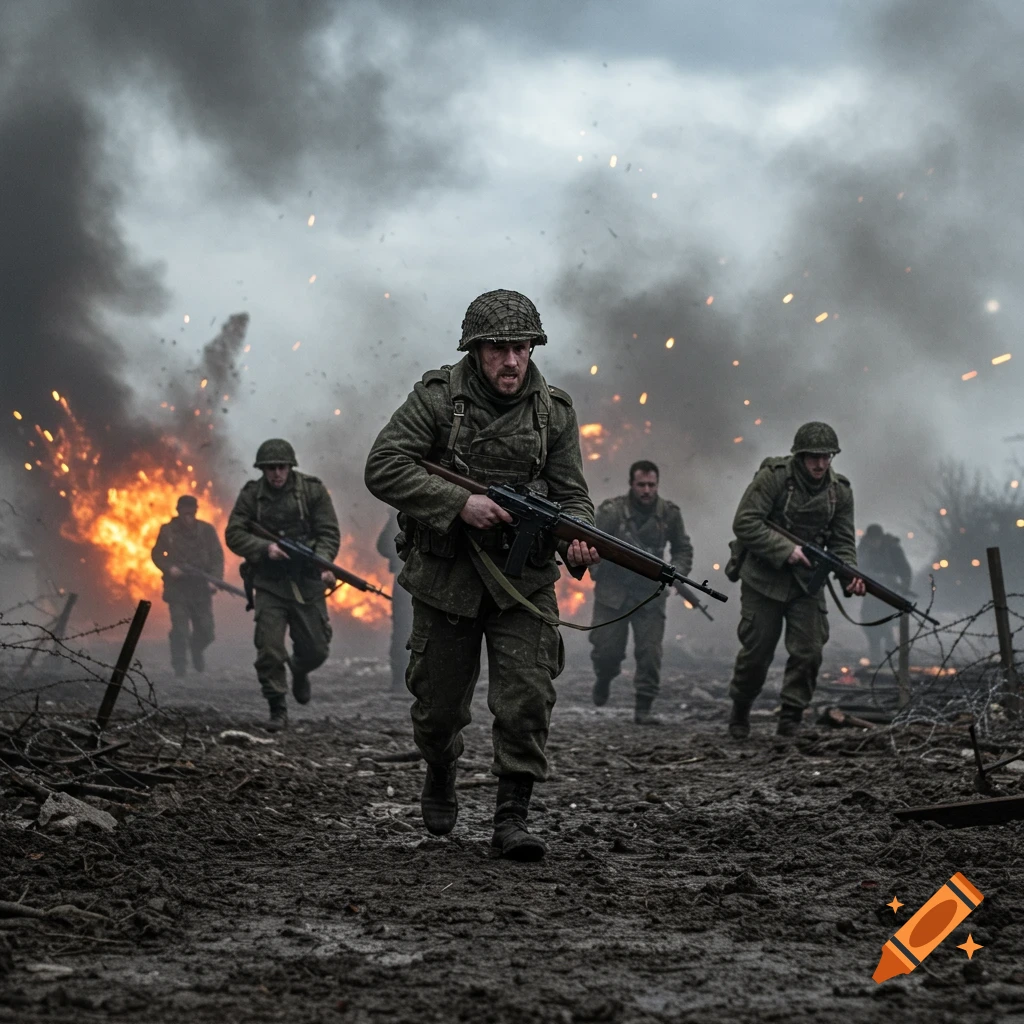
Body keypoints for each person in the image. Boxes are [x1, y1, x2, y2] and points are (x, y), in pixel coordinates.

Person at [364, 288, 598, 861]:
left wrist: (576, 537)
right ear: (475, 349)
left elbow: (573, 496)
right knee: (438, 707)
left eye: (522, 347)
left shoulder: (555, 413)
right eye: (499, 349)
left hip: (524, 582)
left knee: (527, 697)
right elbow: (384, 465)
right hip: (448, 576)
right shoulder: (439, 399)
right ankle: (441, 767)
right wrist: (457, 504)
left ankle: (511, 818)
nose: (512, 361)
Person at [724, 422, 865, 739]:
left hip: (807, 582)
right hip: (763, 577)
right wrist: (785, 550)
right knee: (756, 653)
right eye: (813, 457)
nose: (820, 464)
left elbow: (843, 543)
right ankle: (741, 709)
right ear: (800, 456)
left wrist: (849, 576)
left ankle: (791, 715)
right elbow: (745, 522)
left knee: (809, 651)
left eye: (826, 456)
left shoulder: (839, 491)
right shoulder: (774, 477)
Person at [225, 439, 340, 732]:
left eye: (281, 467)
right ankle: (277, 707)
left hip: (306, 581)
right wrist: (265, 548)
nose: (276, 473)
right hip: (269, 583)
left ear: (290, 467)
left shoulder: (312, 491)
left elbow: (328, 532)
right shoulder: (252, 496)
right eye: (270, 468)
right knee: (270, 649)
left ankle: (299, 670)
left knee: (316, 650)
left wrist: (324, 563)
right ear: (262, 470)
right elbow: (234, 533)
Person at [589, 460, 694, 724]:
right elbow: (591, 542)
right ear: (631, 484)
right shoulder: (612, 511)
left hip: (649, 593)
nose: (647, 490)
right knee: (606, 651)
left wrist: (676, 572)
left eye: (651, 485)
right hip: (613, 592)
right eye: (641, 485)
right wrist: (600, 567)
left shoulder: (669, 514)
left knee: (650, 654)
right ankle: (604, 677)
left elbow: (682, 548)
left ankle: (643, 708)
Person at [151, 495, 224, 676]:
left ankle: (196, 649)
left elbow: (217, 557)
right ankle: (180, 667)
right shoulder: (167, 531)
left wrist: (214, 579)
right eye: (185, 512)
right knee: (180, 630)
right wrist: (170, 568)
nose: (188, 516)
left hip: (201, 588)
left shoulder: (206, 530)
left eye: (192, 512)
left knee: (207, 632)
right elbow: (157, 554)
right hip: (178, 589)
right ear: (178, 511)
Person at [857, 524, 913, 664]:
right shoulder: (863, 549)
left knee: (886, 619)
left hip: (889, 589)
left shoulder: (893, 549)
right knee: (867, 618)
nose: (874, 543)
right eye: (871, 540)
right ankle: (875, 648)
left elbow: (905, 570)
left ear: (881, 538)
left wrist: (904, 586)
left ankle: (889, 648)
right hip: (870, 589)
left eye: (876, 540)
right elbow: (857, 567)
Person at [376, 508, 414, 696]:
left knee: (403, 630)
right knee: (403, 630)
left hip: (410, 580)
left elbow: (383, 546)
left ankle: (401, 680)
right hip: (409, 579)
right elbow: (384, 545)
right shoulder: (400, 514)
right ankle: (401, 680)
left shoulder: (401, 511)